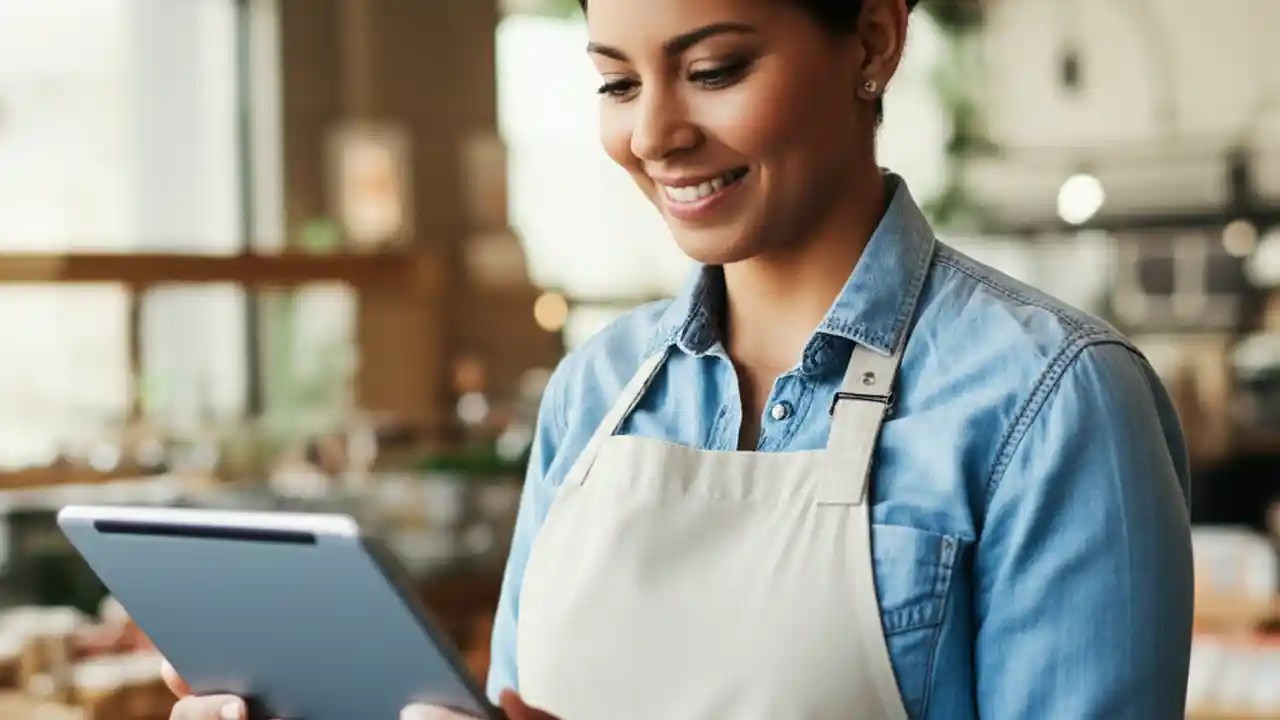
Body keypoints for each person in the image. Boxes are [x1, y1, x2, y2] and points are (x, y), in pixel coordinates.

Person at [166, 0, 1195, 718]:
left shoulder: (1054, 401)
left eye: (713, 70)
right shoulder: (594, 391)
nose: (653, 132)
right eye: (616, 82)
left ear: (872, 40)